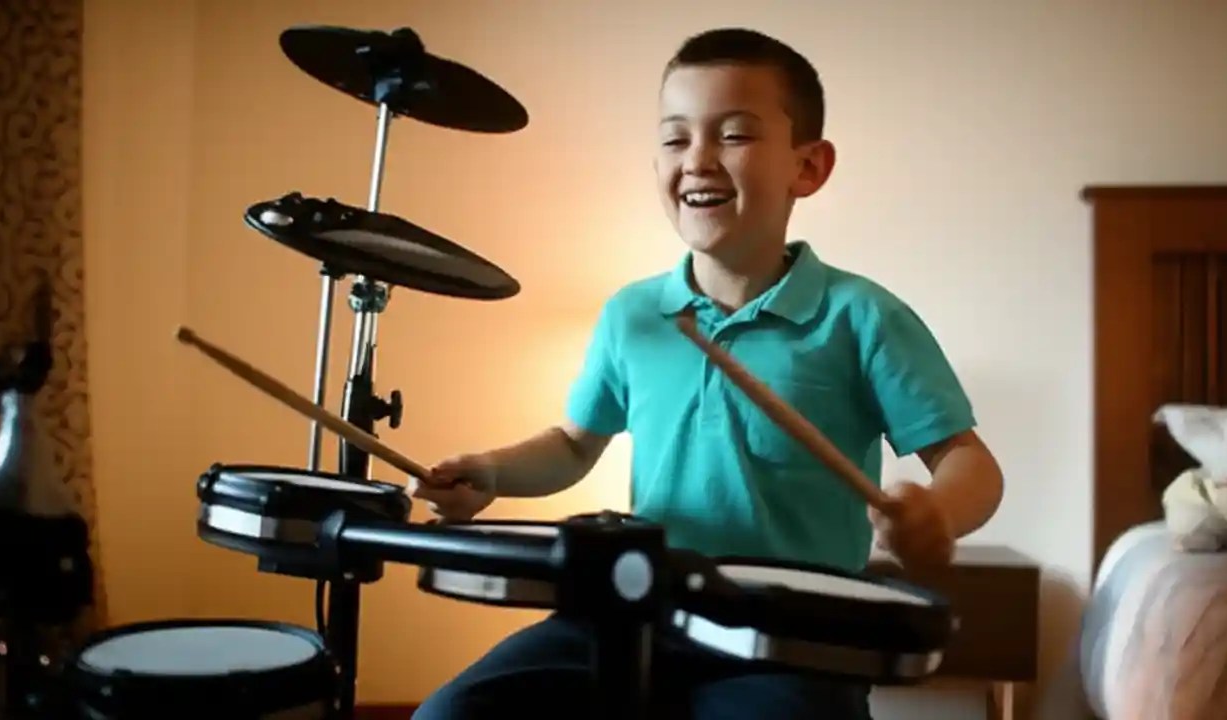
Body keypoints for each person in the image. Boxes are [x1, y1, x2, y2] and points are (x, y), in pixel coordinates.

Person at [409, 26, 1004, 720]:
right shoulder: (634, 315)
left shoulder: (860, 315)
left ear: (807, 167)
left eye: (734, 135)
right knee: (453, 713)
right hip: (635, 605)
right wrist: (492, 471)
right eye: (674, 138)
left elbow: (970, 462)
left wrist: (939, 512)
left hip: (795, 631)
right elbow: (573, 445)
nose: (697, 160)